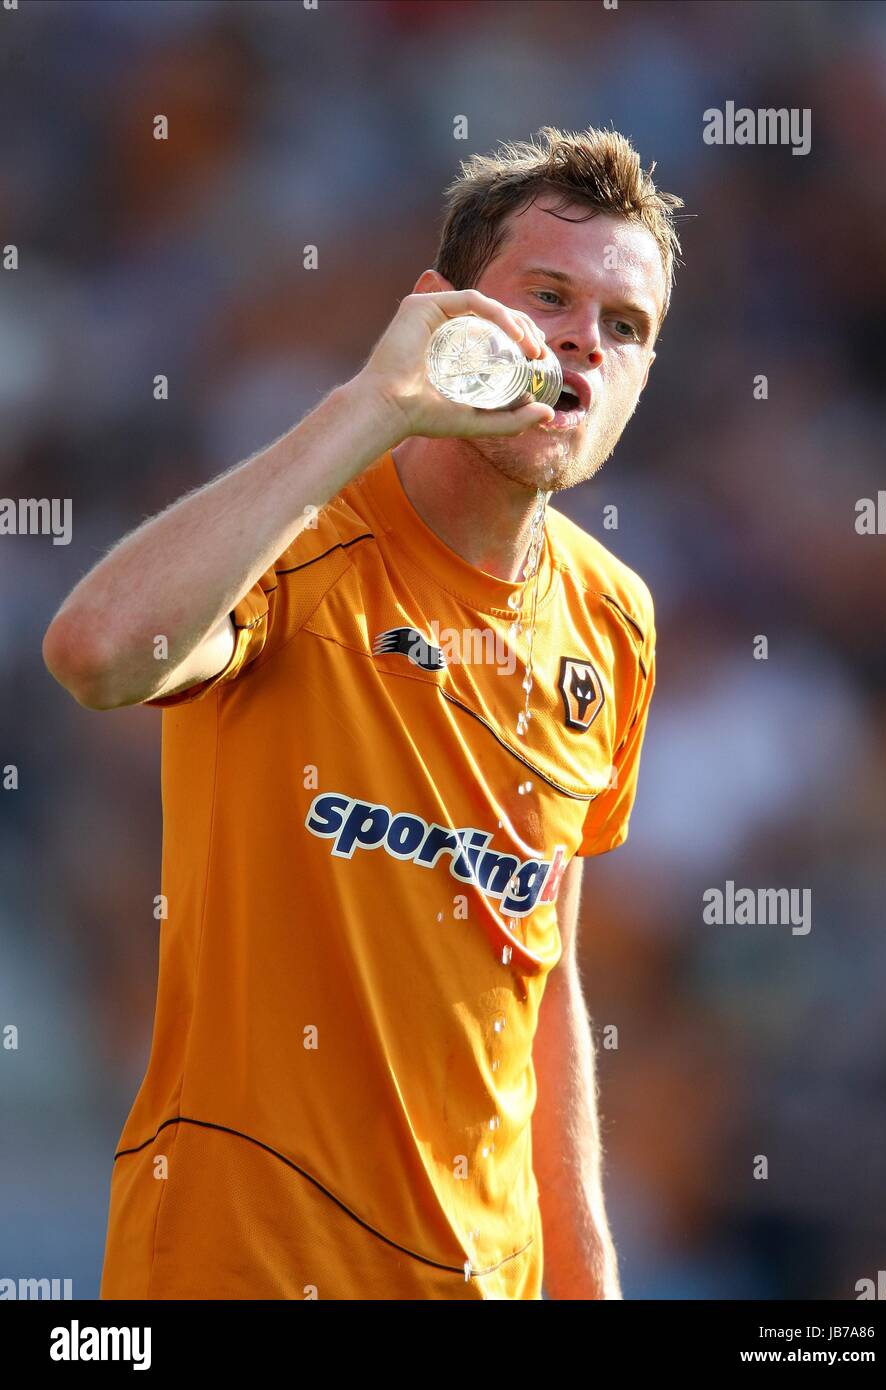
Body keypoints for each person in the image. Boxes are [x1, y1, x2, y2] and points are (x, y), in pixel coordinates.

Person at [43, 125, 682, 1300]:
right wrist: (377, 400)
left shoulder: (613, 618)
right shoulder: (296, 543)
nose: (582, 340)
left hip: (483, 1276)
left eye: (625, 325)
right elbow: (94, 654)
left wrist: (586, 1271)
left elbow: (544, 965)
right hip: (236, 1263)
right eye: (546, 296)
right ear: (438, 315)